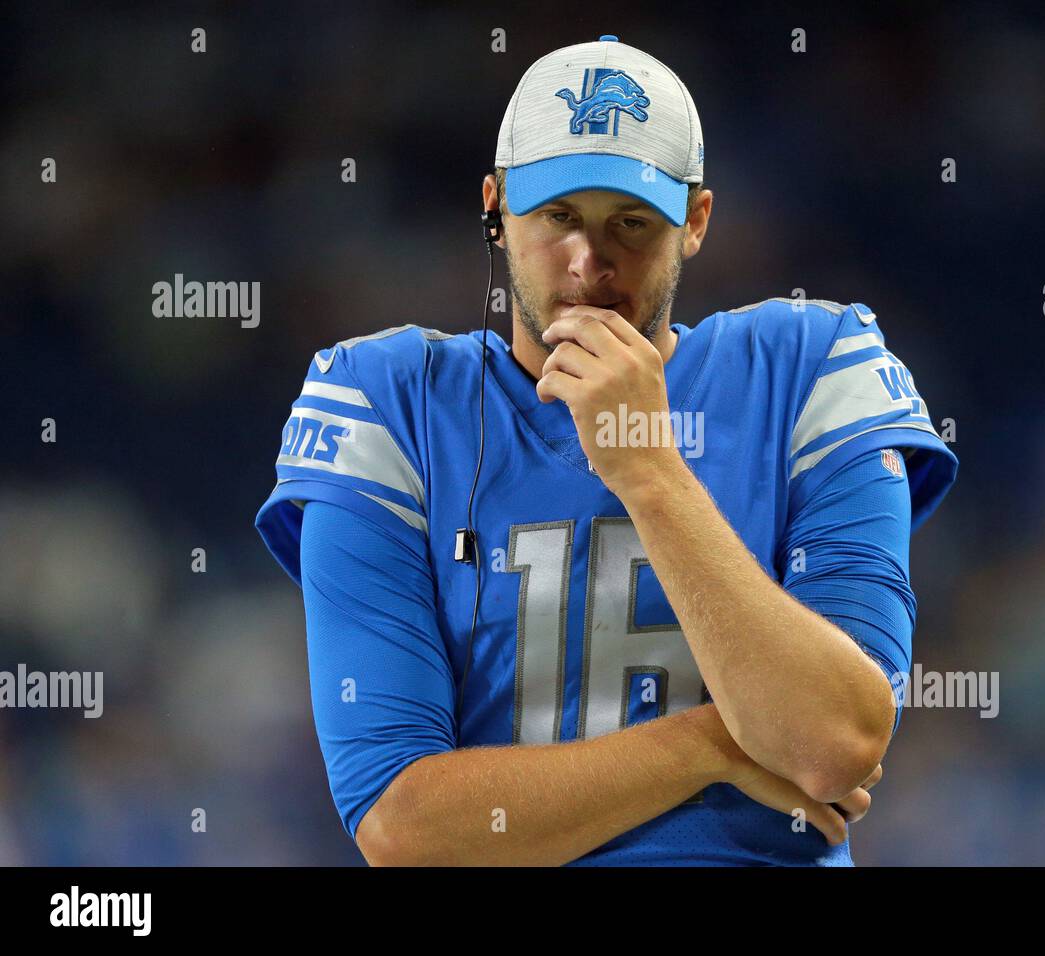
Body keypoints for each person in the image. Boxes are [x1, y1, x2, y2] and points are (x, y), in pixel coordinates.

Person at [255, 34, 958, 866]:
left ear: (695, 221)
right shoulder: (387, 398)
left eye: (631, 222)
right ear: (494, 205)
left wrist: (648, 469)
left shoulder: (810, 368)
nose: (591, 262)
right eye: (558, 217)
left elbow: (835, 742)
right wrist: (719, 745)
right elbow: (406, 828)